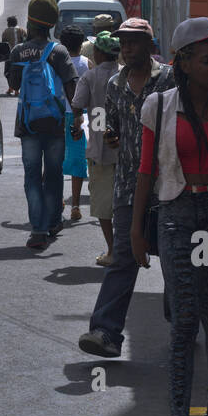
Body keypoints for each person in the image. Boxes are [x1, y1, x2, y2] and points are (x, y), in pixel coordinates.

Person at [130, 19, 208, 416]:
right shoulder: (158, 106)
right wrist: (136, 230)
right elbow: (145, 169)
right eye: (207, 60)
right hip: (174, 215)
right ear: (185, 63)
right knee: (184, 320)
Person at [78, 17, 174, 359]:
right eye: (123, 42)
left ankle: (181, 320)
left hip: (169, 186)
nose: (127, 48)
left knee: (172, 258)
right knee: (123, 257)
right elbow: (105, 120)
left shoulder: (169, 80)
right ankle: (105, 331)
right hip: (127, 185)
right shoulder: (115, 84)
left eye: (134, 41)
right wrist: (107, 136)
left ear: (149, 45)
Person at [5, 0, 78, 251]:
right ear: (51, 24)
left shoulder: (17, 52)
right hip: (56, 124)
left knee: (33, 176)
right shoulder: (59, 51)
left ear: (30, 20)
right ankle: (54, 220)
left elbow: (13, 85)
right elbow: (72, 88)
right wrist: (78, 118)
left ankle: (37, 230)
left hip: (28, 125)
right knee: (55, 174)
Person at [72, 30, 120, 264]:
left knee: (102, 203)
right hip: (125, 149)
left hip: (100, 148)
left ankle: (112, 250)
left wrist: (78, 120)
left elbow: (78, 105)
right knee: (123, 202)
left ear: (99, 53)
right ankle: (124, 248)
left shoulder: (90, 77)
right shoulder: (125, 75)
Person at [60, 26, 90, 221]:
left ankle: (58, 199)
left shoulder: (56, 62)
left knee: (56, 158)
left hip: (58, 115)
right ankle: (75, 206)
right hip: (79, 116)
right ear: (81, 44)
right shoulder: (87, 63)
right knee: (78, 160)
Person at [0, 17, 27, 96]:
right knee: (20, 72)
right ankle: (16, 90)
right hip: (21, 55)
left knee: (8, 72)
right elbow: (26, 41)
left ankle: (11, 88)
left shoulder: (5, 32)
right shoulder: (22, 31)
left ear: (9, 23)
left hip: (10, 55)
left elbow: (3, 43)